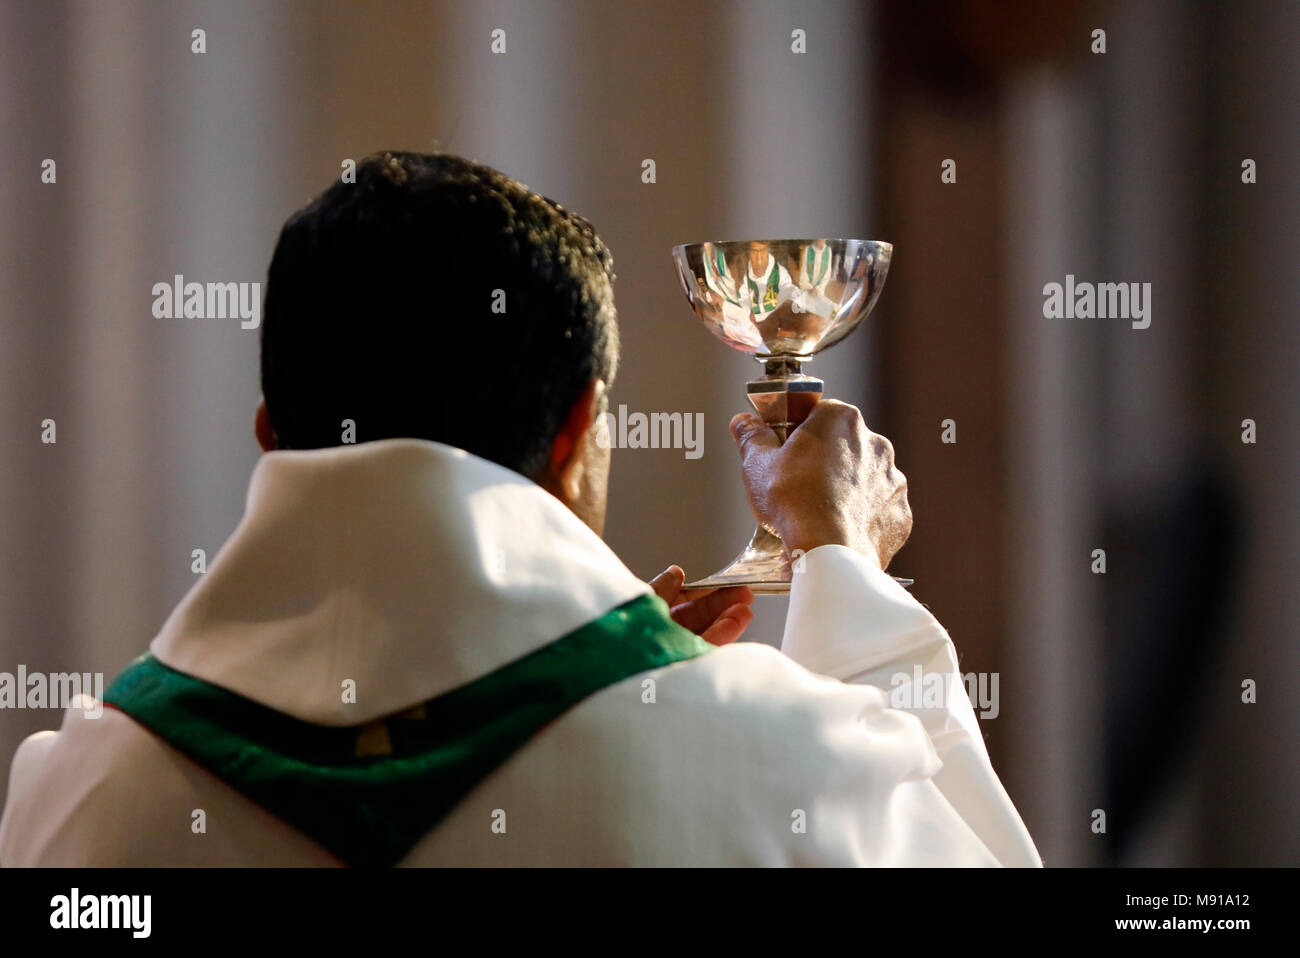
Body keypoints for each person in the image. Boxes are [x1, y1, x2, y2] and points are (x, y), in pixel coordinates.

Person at [0, 152, 1041, 866]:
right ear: (577, 429)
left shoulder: (81, 796)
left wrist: (566, 675)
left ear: (271, 430)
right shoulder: (769, 757)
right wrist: (847, 573)